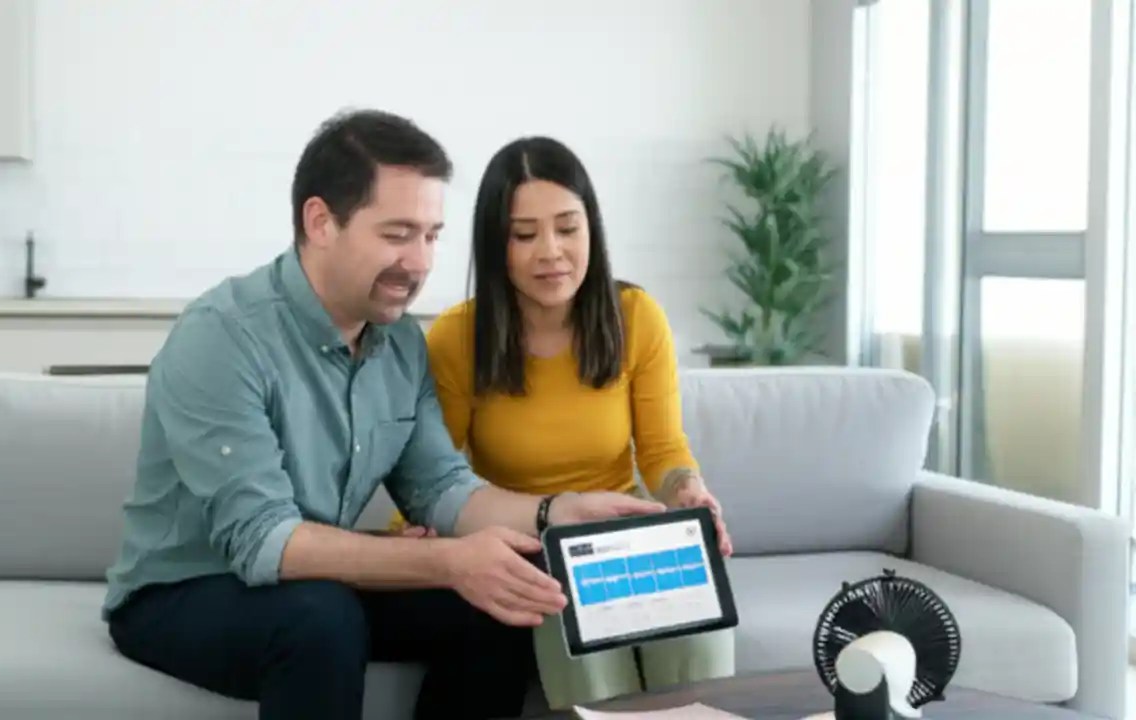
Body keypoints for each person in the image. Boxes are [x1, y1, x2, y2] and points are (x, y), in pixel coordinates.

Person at [101, 110, 665, 720]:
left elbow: (441, 488)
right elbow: (262, 540)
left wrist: (556, 512)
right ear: (321, 222)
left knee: (505, 596)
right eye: (398, 234)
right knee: (321, 619)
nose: (419, 262)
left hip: (315, 579)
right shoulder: (223, 335)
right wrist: (446, 562)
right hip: (184, 590)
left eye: (431, 236)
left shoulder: (399, 343)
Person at [389, 136, 737, 709]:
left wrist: (687, 490)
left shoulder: (636, 316)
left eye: (568, 228)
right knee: (580, 628)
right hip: (531, 542)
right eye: (525, 235)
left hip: (626, 534)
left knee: (696, 620)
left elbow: (662, 450)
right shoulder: (458, 338)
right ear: (496, 245)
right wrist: (414, 534)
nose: (551, 251)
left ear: (591, 229)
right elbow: (433, 475)